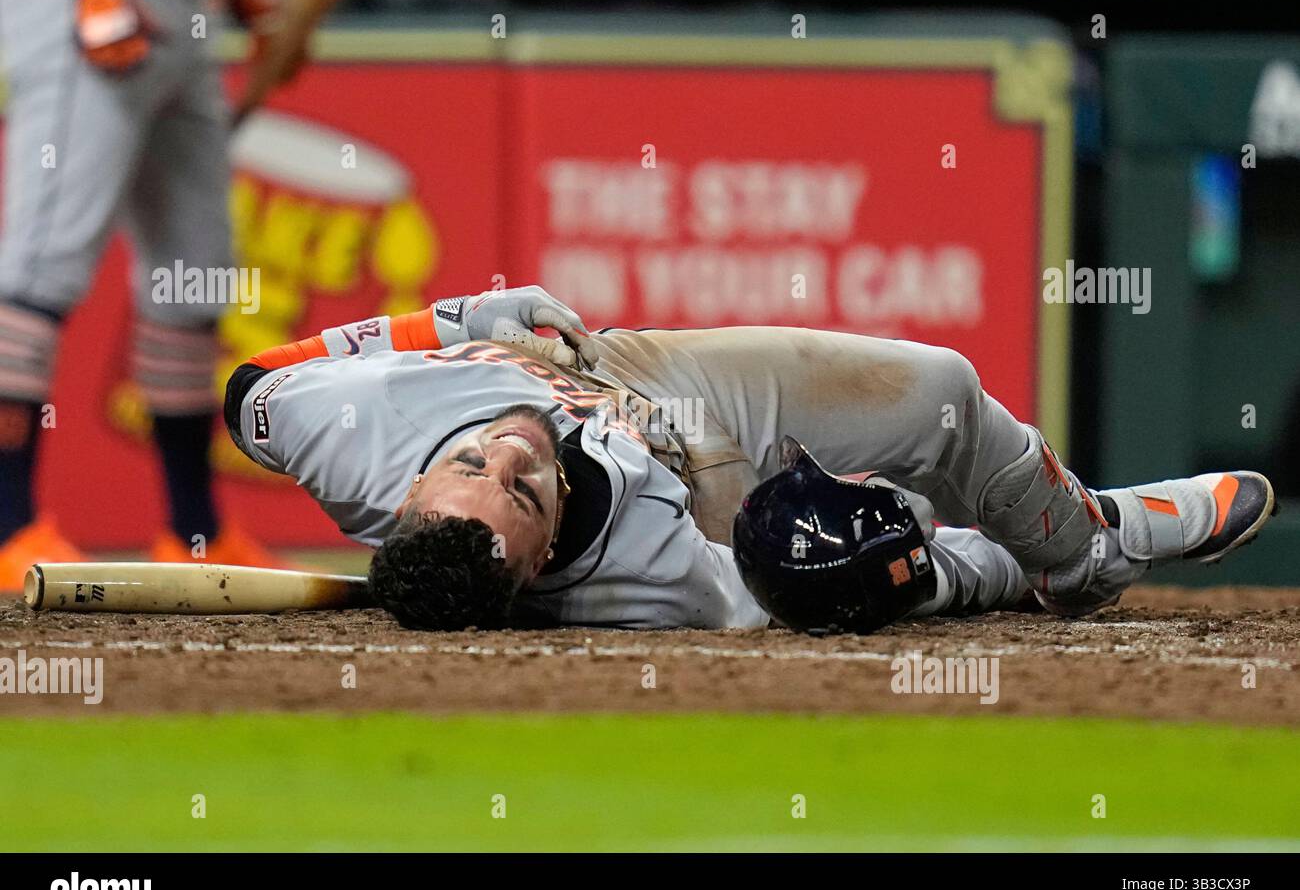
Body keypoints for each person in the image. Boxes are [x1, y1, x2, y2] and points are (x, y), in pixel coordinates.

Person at [222, 285, 1276, 630]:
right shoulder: (653, 580)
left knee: (939, 391)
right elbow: (901, 576)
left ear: (408, 494)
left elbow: (248, 382)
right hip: (690, 472)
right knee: (831, 565)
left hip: (618, 367)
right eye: (522, 495)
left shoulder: (343, 436)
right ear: (541, 564)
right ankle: (1088, 550)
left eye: (470, 473)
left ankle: (1075, 532)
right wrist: (937, 568)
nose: (505, 457)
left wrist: (456, 318)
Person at [0, 0, 344, 591]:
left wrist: (252, 3)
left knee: (193, 273)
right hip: (84, 5)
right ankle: (6, 532)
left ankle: (196, 535)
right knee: (38, 269)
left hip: (182, 16)